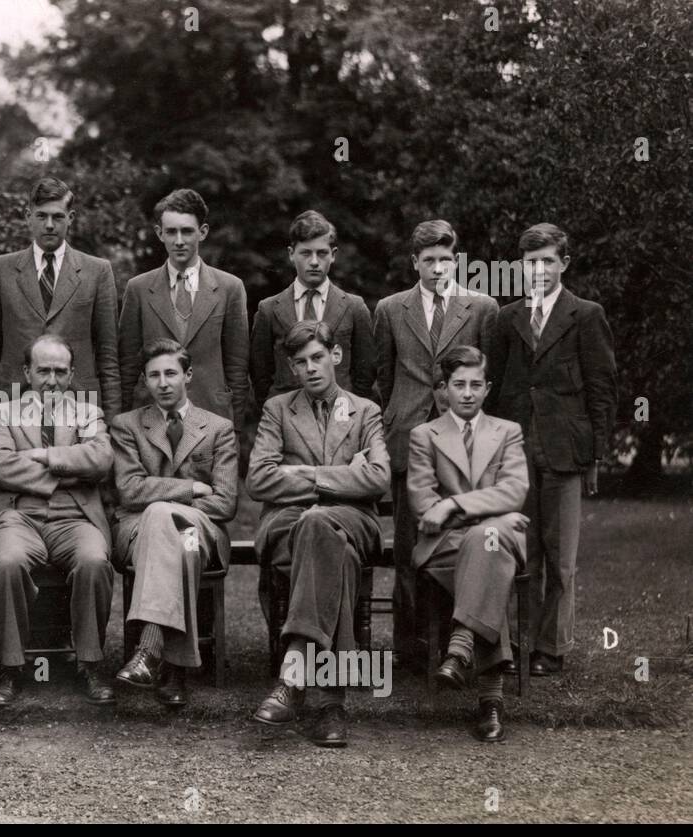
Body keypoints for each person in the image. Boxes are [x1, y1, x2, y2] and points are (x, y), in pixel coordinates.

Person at [248, 321, 389, 748]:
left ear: (336, 356)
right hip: (290, 523)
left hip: (353, 519)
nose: (310, 369)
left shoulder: (366, 410)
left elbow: (379, 478)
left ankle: (292, 675)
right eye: (301, 362)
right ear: (292, 368)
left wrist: (306, 474)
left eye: (318, 357)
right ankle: (332, 706)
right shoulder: (278, 409)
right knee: (333, 551)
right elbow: (258, 479)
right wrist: (345, 475)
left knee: (321, 525)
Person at [485, 223, 618, 676]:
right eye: (530, 261)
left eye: (547, 261)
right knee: (522, 554)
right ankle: (516, 642)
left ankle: (551, 649)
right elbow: (495, 386)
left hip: (566, 450)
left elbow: (602, 388)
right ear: (519, 265)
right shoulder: (507, 319)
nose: (538, 269)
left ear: (564, 263)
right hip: (516, 452)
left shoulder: (586, 314)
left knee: (561, 557)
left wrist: (597, 454)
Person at [373, 219, 497, 669]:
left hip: (463, 444)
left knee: (460, 539)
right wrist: (400, 417)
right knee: (409, 545)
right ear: (414, 262)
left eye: (446, 259)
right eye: (429, 260)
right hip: (407, 436)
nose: (438, 268)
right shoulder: (390, 309)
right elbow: (384, 378)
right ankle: (410, 646)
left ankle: (457, 641)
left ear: (456, 260)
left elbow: (486, 381)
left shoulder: (482, 308)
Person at [0, 334, 116, 706]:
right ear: (27, 372)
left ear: (72, 374)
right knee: (8, 563)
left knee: (93, 561)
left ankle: (90, 663)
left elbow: (101, 462)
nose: (51, 380)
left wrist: (40, 455)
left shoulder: (88, 413)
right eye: (43, 371)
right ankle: (11, 667)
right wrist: (68, 463)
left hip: (74, 517)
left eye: (60, 371)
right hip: (17, 516)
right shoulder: (2, 413)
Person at [409, 346, 530, 742]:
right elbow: (424, 506)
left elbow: (514, 490)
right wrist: (491, 513)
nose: (467, 393)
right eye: (458, 385)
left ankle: (460, 646)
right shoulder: (424, 435)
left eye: (476, 384)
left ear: (488, 387)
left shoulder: (507, 431)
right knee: (488, 550)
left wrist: (455, 505)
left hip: (484, 540)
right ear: (443, 389)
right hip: (444, 546)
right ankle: (491, 701)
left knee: (486, 543)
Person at [110, 339, 237, 708]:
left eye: (170, 373)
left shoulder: (218, 428)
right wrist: (190, 488)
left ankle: (149, 651)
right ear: (145, 381)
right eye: (154, 375)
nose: (163, 382)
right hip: (138, 533)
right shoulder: (127, 425)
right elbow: (130, 491)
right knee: (170, 533)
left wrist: (164, 500)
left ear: (188, 375)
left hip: (201, 532)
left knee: (171, 524)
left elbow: (226, 502)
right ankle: (174, 673)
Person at [0, 177, 120, 424]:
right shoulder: (0, 269)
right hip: (11, 402)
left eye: (58, 217)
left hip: (80, 404)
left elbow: (108, 356)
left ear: (70, 217)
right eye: (41, 216)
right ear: (28, 216)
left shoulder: (97, 271)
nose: (49, 225)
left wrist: (114, 422)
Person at [118, 188, 248, 440]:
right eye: (171, 232)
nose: (179, 240)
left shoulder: (229, 288)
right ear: (159, 234)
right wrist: (122, 422)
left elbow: (237, 366)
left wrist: (236, 426)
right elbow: (128, 365)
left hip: (212, 415)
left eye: (187, 231)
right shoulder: (139, 288)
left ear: (203, 232)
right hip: (152, 419)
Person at [249, 209, 375, 406]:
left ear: (333, 255)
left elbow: (365, 373)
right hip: (287, 416)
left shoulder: (354, 307)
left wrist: (350, 408)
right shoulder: (269, 309)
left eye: (322, 253)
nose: (314, 262)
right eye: (306, 253)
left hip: (339, 414)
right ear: (291, 254)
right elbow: (260, 374)